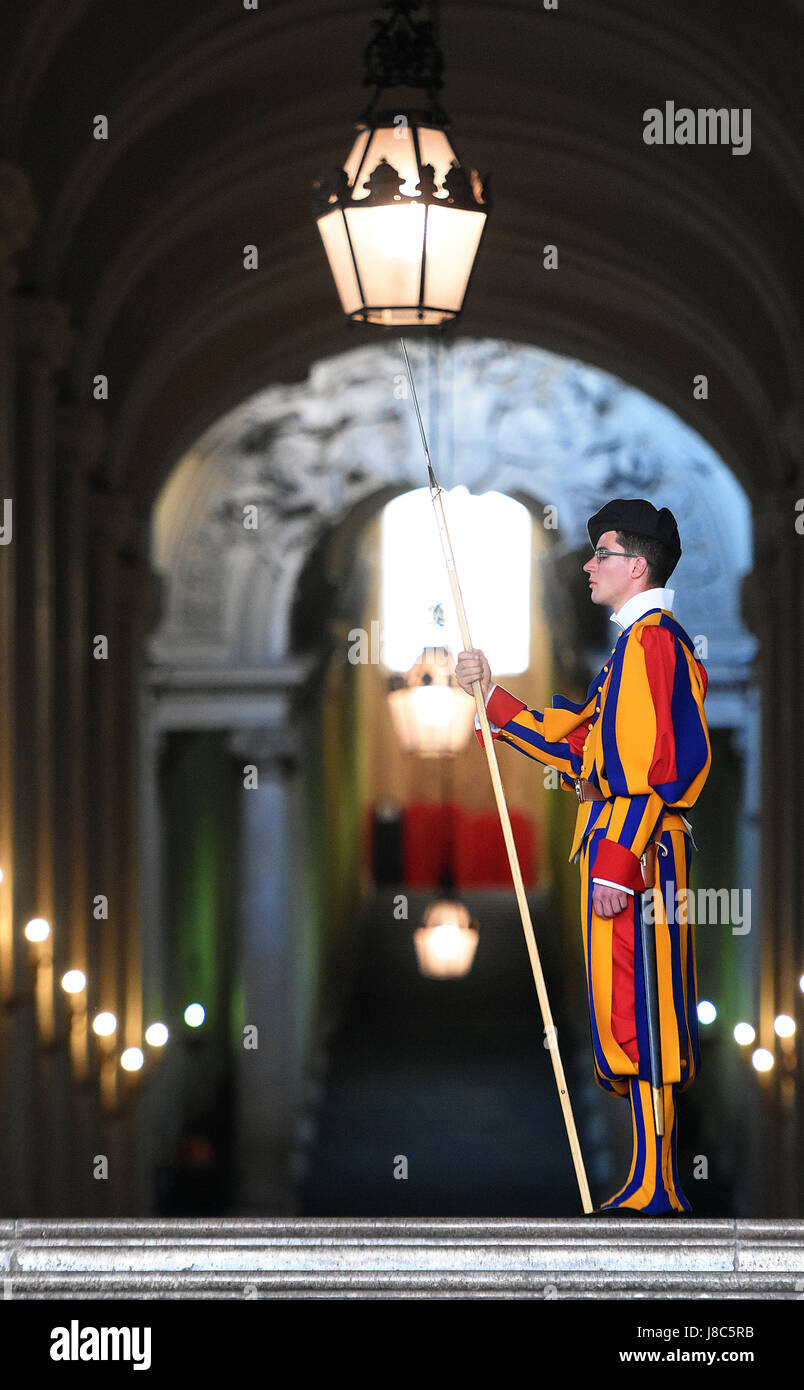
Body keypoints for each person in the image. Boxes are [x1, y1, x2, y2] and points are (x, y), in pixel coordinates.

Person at [456, 498, 711, 1215]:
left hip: (640, 856)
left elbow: (651, 766)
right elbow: (583, 750)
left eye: (601, 553)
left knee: (648, 1009)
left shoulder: (652, 644)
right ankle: (645, 1176)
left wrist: (617, 864)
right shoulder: (631, 649)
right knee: (624, 1011)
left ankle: (658, 1183)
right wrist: (495, 700)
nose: (588, 565)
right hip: (627, 853)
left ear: (636, 567)